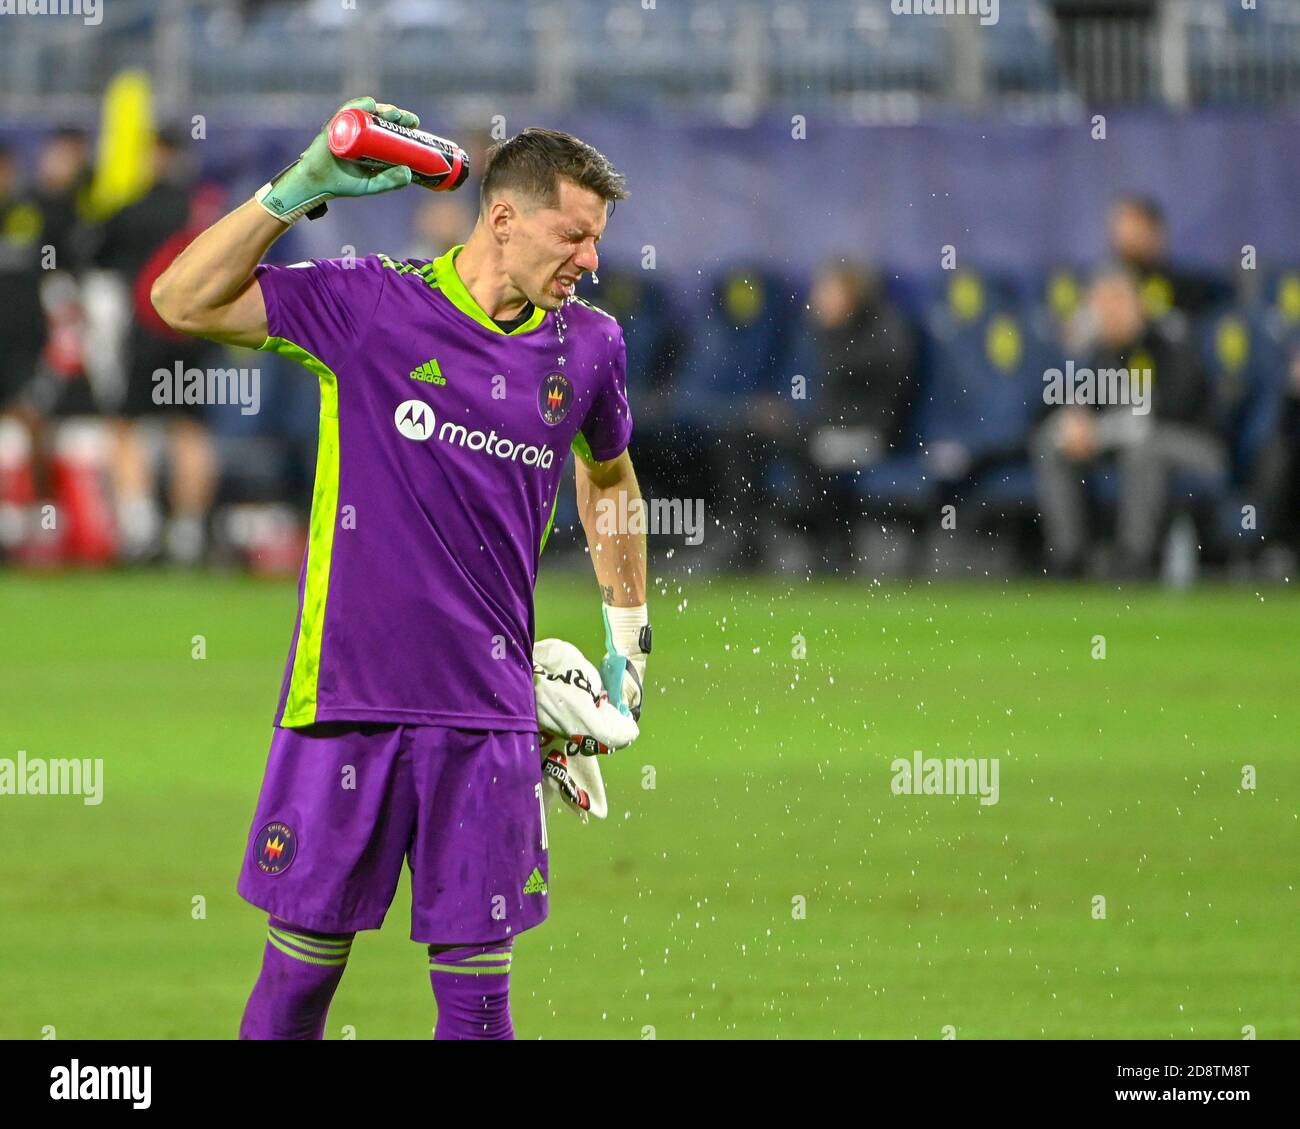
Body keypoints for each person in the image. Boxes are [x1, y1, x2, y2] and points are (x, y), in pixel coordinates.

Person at [150, 98, 650, 1040]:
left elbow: (611, 475)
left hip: (488, 724)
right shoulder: (372, 305)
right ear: (502, 218)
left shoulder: (590, 347)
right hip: (347, 704)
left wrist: (630, 639)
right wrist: (295, 193)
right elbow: (183, 300)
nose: (591, 260)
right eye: (574, 236)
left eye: (598, 241)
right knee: (296, 990)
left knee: (478, 1011)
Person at [1031, 266, 1224, 578]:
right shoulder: (1102, 353)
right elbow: (1054, 402)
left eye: (1115, 302)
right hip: (1126, 445)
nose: (1107, 313)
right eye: (1099, 305)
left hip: (1197, 446)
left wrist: (1098, 433)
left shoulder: (1169, 341)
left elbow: (1163, 411)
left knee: (1144, 449)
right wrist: (1073, 418)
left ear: (1136, 303)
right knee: (1050, 440)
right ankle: (1068, 557)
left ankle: (1135, 558)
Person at [96, 130, 219, 563]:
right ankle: (187, 536)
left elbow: (95, 255)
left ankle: (140, 529)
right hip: (198, 333)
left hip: (147, 332)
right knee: (189, 429)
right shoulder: (202, 209)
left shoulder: (133, 208)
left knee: (125, 427)